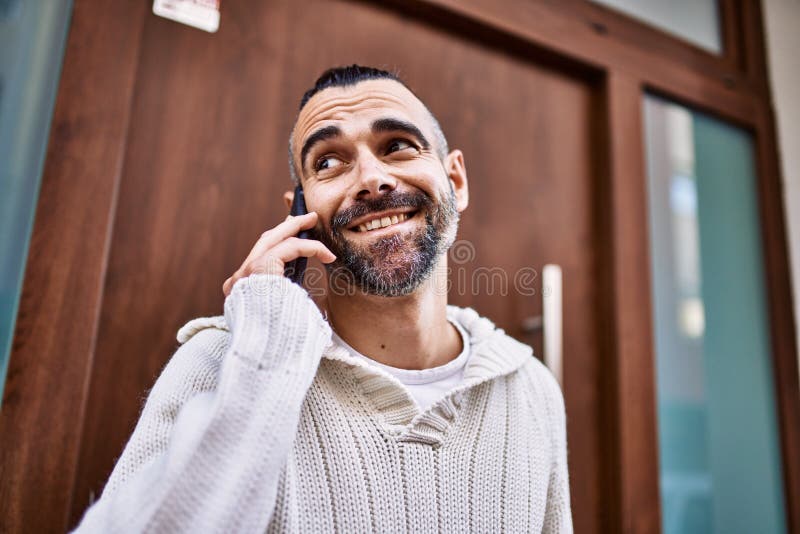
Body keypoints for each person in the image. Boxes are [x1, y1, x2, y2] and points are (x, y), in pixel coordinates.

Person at [72, 64, 573, 533]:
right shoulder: (219, 362)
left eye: (398, 145)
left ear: (455, 180)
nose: (372, 180)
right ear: (300, 210)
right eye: (329, 162)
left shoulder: (531, 389)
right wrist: (266, 346)